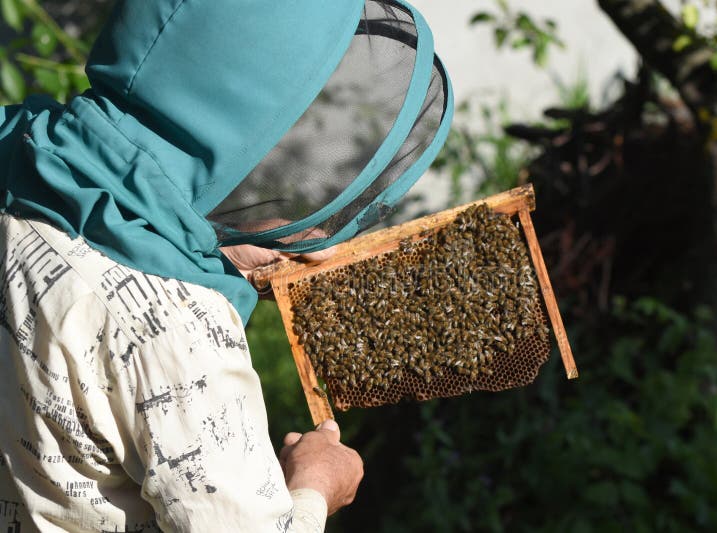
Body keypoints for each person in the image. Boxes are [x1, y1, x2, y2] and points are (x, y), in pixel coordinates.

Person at [0, 0, 452, 531]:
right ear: (227, 159)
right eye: (281, 192)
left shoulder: (18, 150)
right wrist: (312, 489)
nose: (321, 250)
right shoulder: (177, 334)